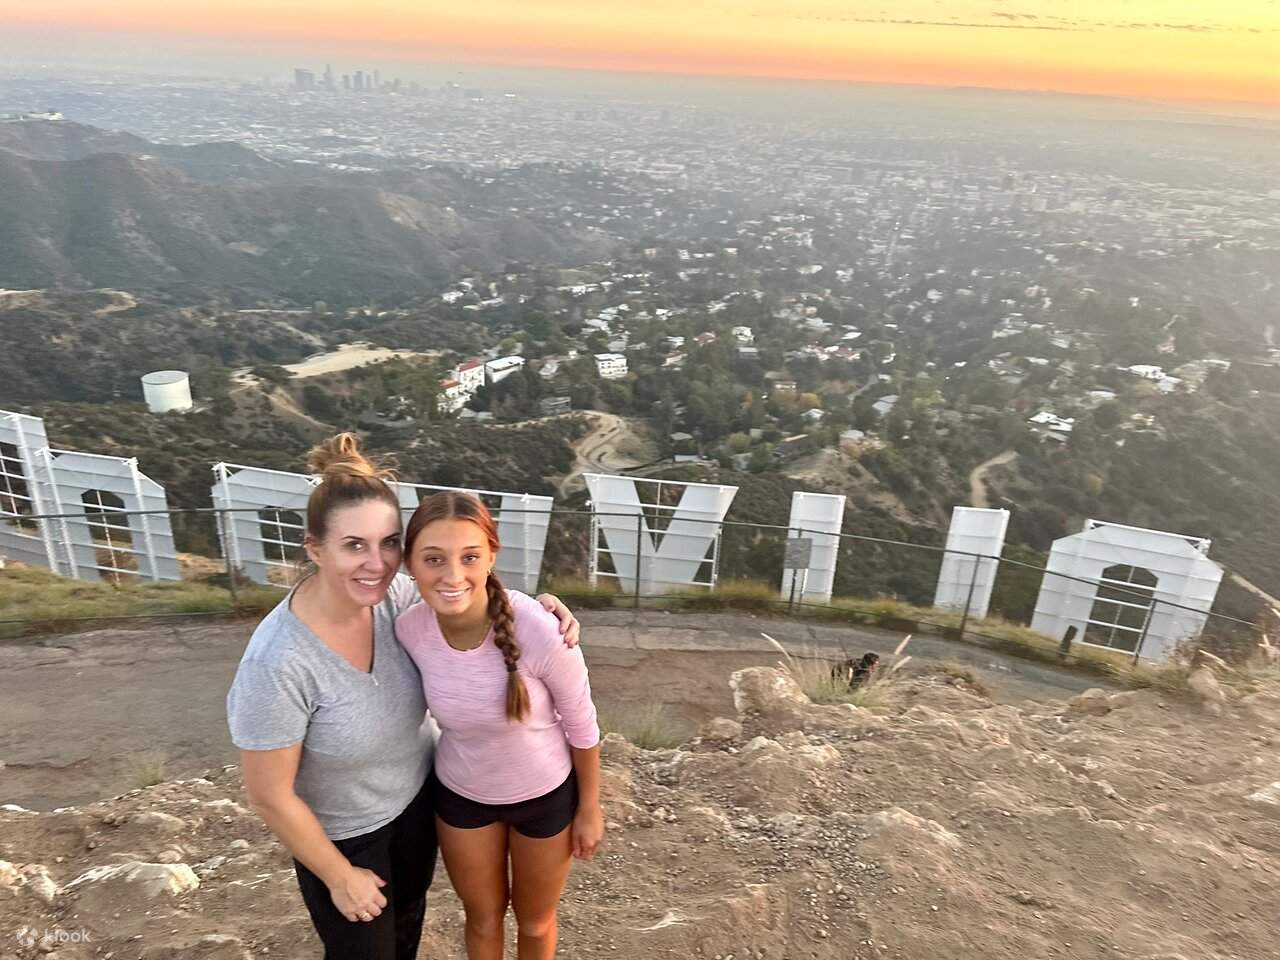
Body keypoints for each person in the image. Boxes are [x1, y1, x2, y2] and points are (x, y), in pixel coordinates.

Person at [226, 434, 581, 960]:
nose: (377, 563)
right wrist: (339, 875)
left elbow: (462, 581)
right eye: (354, 546)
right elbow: (268, 795)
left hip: (417, 810)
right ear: (314, 547)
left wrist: (542, 609)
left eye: (389, 543)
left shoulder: (395, 596)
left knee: (405, 938)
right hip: (345, 839)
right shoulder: (277, 663)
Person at [396, 491, 603, 960]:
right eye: (433, 559)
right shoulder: (408, 629)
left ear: (491, 554)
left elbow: (582, 725)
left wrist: (589, 806)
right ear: (410, 563)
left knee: (534, 922)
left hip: (545, 800)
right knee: (483, 919)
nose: (452, 575)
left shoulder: (540, 629)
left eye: (470, 556)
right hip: (461, 799)